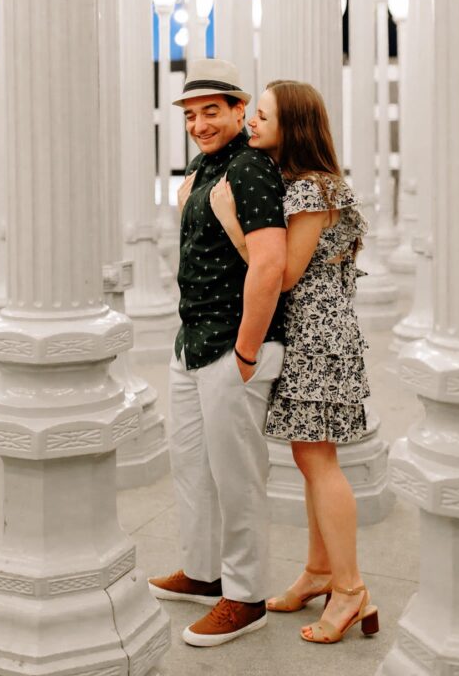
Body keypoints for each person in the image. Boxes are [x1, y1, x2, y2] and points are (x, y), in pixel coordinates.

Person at [209, 79, 378, 645]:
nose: (252, 124)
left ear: (293, 126)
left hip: (316, 339)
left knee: (318, 464)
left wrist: (233, 220)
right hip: (319, 335)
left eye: (262, 116)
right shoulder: (313, 184)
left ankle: (350, 589)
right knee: (311, 461)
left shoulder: (310, 191)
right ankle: (319, 571)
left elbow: (283, 275)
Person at [148, 58, 287, 648]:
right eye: (191, 114)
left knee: (237, 478)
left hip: (233, 345)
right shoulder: (204, 168)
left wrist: (248, 352)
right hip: (193, 342)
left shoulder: (250, 168)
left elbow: (270, 263)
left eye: (213, 112)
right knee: (191, 466)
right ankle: (204, 573)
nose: (200, 124)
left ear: (239, 110)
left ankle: (245, 595)